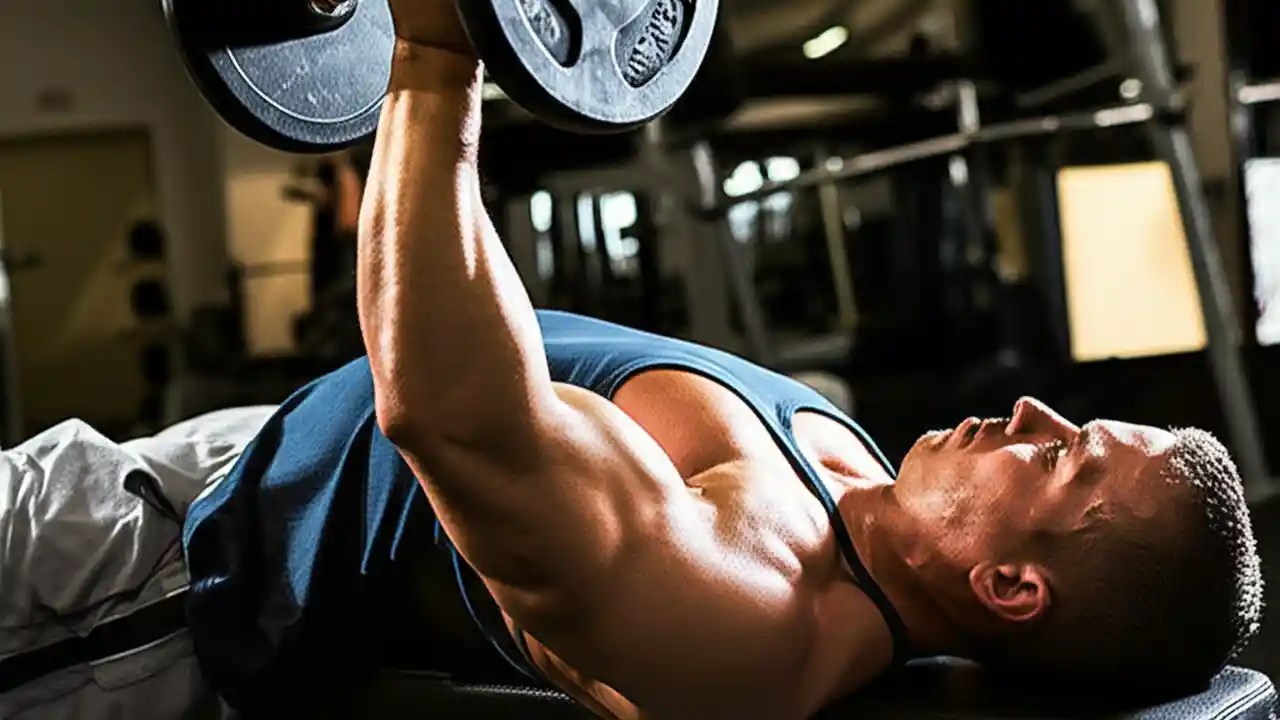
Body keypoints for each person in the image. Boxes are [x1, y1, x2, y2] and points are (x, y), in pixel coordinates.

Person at [0, 4, 1264, 720]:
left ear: (1008, 588)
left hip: (143, 587)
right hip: (220, 467)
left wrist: (437, 55)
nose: (1036, 409)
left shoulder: (751, 616)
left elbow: (446, 412)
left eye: (1065, 456)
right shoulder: (862, 488)